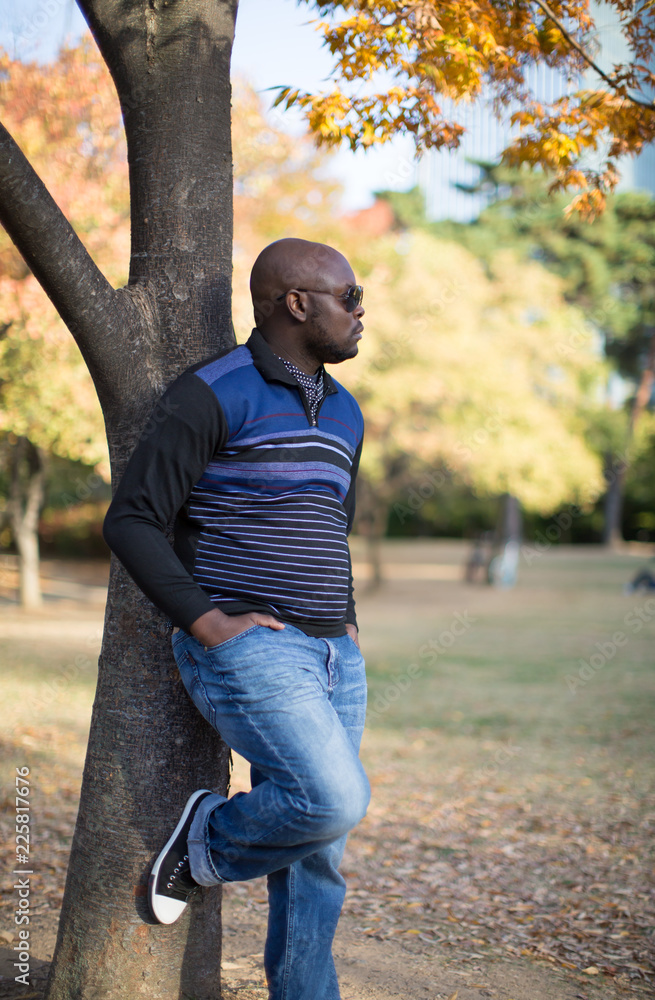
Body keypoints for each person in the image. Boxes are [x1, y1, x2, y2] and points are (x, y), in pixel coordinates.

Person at [103, 237, 369, 1000]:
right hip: (250, 646)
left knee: (320, 854)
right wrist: (207, 623)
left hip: (332, 654)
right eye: (348, 297)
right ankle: (206, 842)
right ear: (296, 303)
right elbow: (132, 520)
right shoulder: (210, 392)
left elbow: (327, 524)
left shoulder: (346, 410)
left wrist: (345, 621)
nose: (360, 313)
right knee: (332, 801)